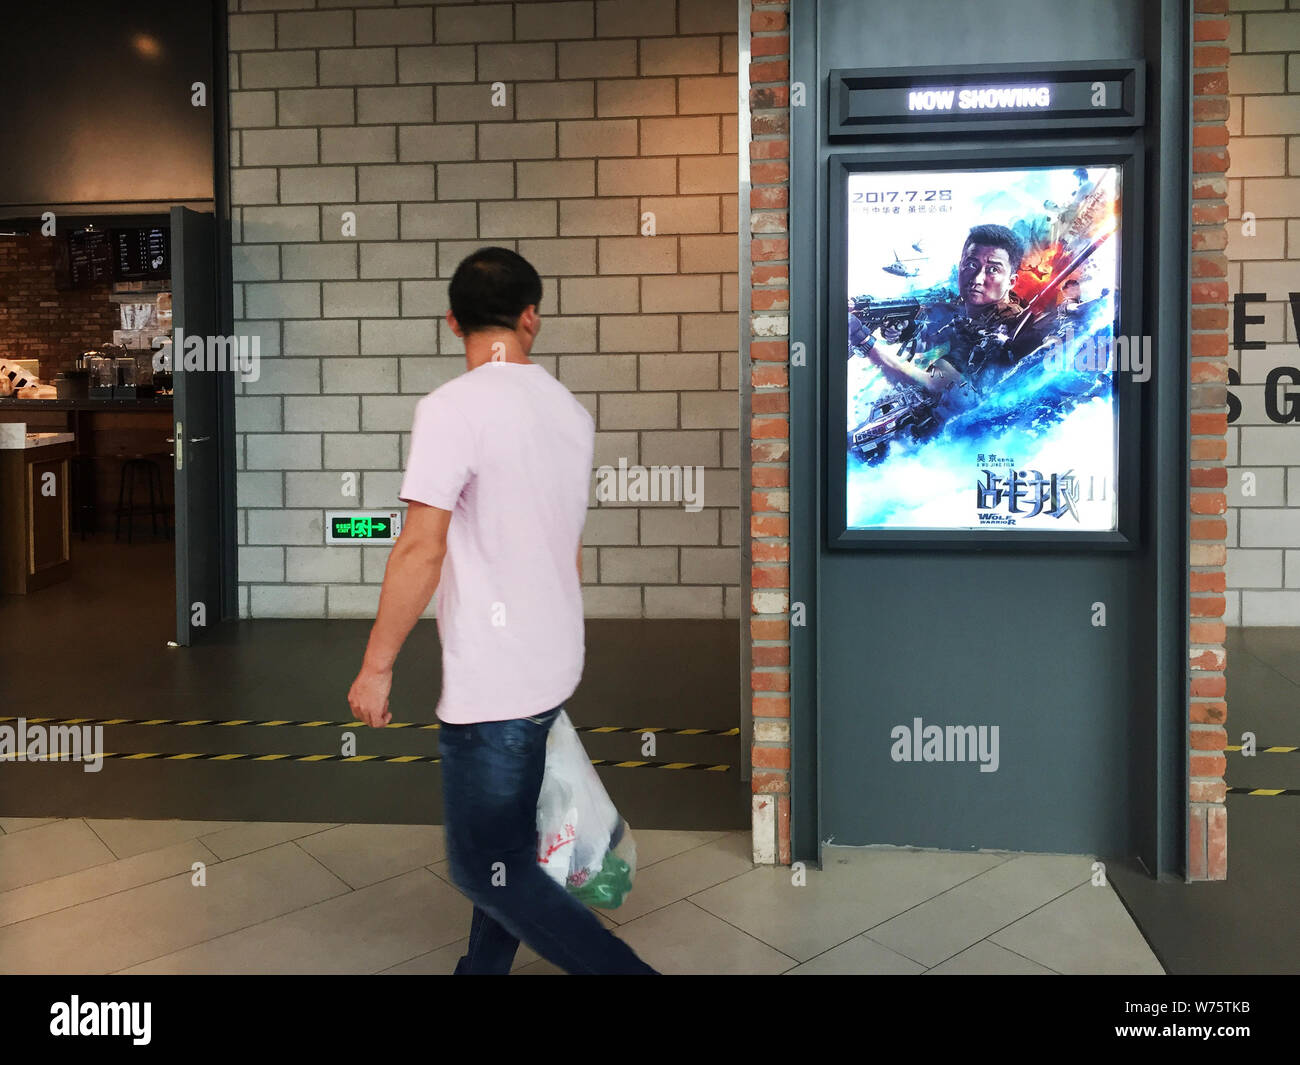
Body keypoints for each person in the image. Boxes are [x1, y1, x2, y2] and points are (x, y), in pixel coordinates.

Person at [346, 246, 658, 976]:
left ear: (452, 320)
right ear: (530, 318)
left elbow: (420, 549)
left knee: (483, 861)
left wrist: (376, 665)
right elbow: (566, 548)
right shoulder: (570, 413)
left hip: (494, 685)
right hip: (551, 663)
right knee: (509, 849)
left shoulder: (451, 409)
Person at [856, 223, 1053, 415]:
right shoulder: (965, 307)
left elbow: (934, 386)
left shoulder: (998, 328)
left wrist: (864, 342)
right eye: (971, 264)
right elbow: (938, 328)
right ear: (960, 267)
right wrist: (905, 330)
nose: (977, 279)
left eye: (993, 269)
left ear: (1011, 281)